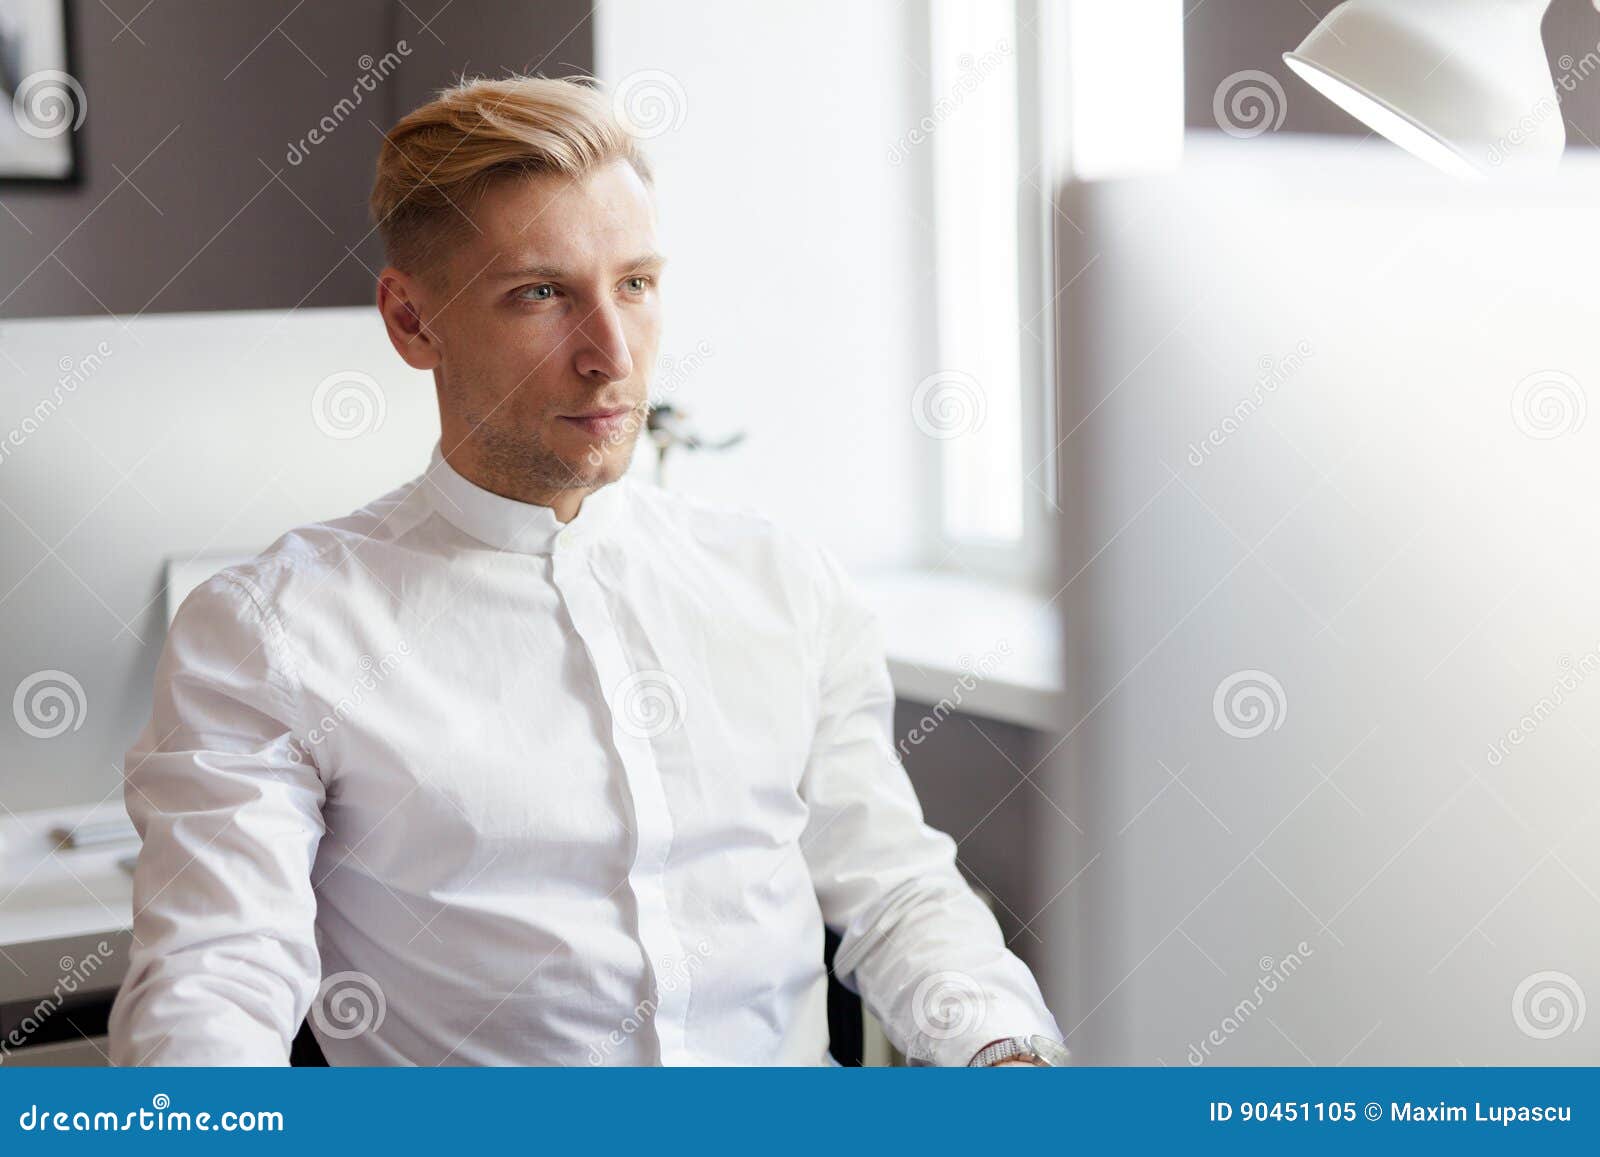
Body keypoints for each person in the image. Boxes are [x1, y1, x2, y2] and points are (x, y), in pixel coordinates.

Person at [107, 75, 1065, 1068]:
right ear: (411, 321)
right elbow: (215, 979)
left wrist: (1001, 1051)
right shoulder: (278, 630)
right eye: (541, 293)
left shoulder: (784, 583)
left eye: (636, 284)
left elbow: (893, 884)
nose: (611, 354)